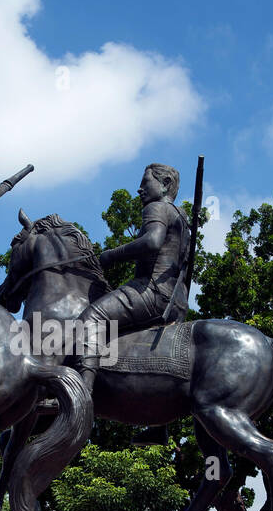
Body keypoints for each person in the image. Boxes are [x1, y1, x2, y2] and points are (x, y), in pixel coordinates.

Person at [74, 163, 190, 393]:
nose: (139, 189)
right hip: (177, 302)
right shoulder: (182, 217)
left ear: (165, 184)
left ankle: (81, 393)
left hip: (152, 292)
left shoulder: (157, 207)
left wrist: (110, 255)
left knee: (92, 317)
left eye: (145, 183)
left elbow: (152, 241)